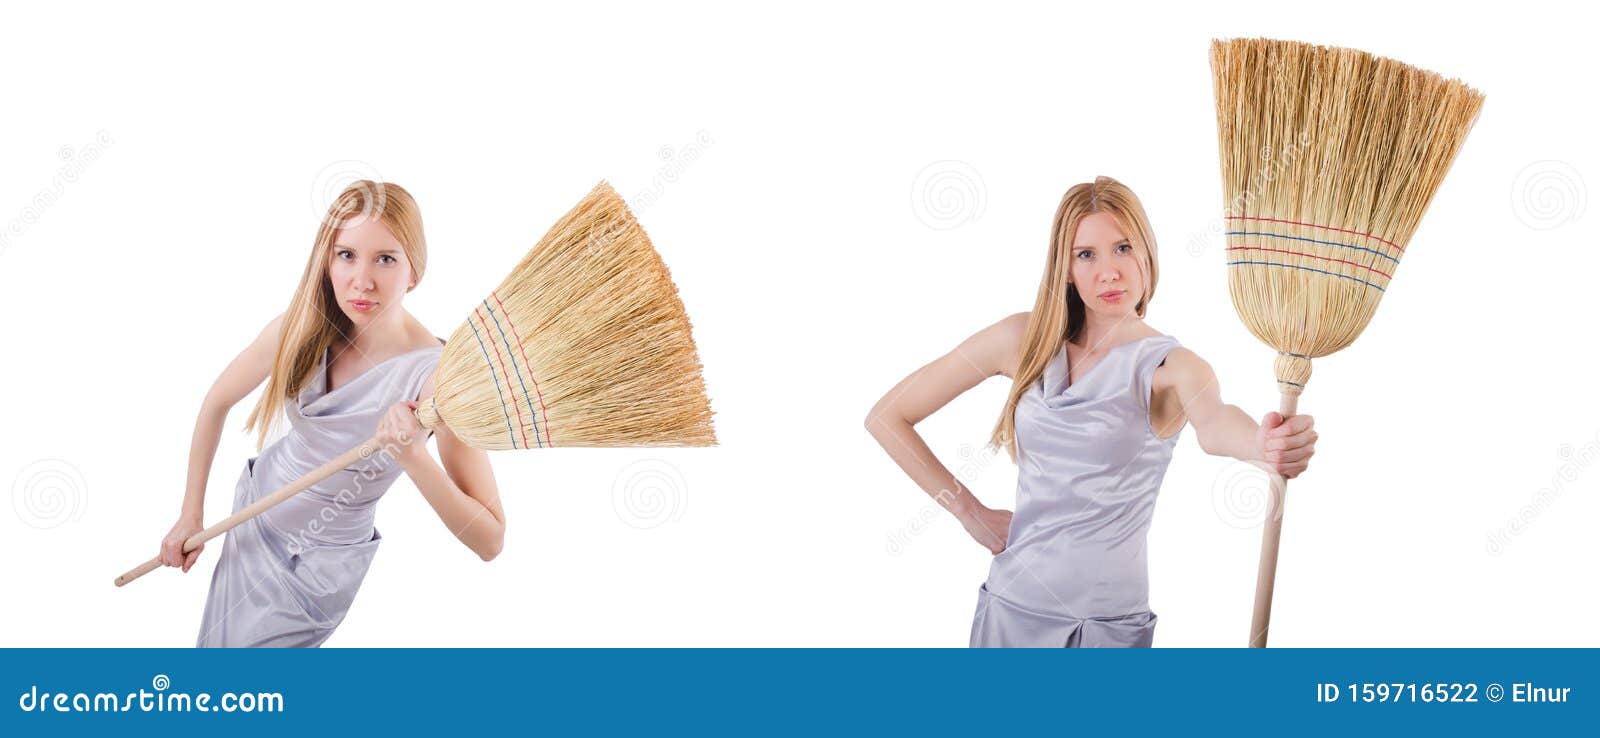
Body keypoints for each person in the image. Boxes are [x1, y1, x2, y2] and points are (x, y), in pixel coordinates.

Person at [866, 176, 1317, 647]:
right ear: (1065, 268)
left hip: (1103, 632)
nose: (1109, 272)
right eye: (1087, 254)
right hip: (1008, 614)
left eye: (1123, 248)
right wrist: (968, 511)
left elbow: (1218, 424)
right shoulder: (1022, 341)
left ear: (1148, 254)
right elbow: (888, 417)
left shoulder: (1172, 367)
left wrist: (1264, 444)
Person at [157, 180, 506, 647]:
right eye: (346, 255)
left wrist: (414, 460)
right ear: (327, 260)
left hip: (316, 568)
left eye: (385, 258)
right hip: (252, 523)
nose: (362, 280)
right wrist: (190, 515)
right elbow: (216, 402)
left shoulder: (438, 381)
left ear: (414, 272)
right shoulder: (299, 328)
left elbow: (490, 541)